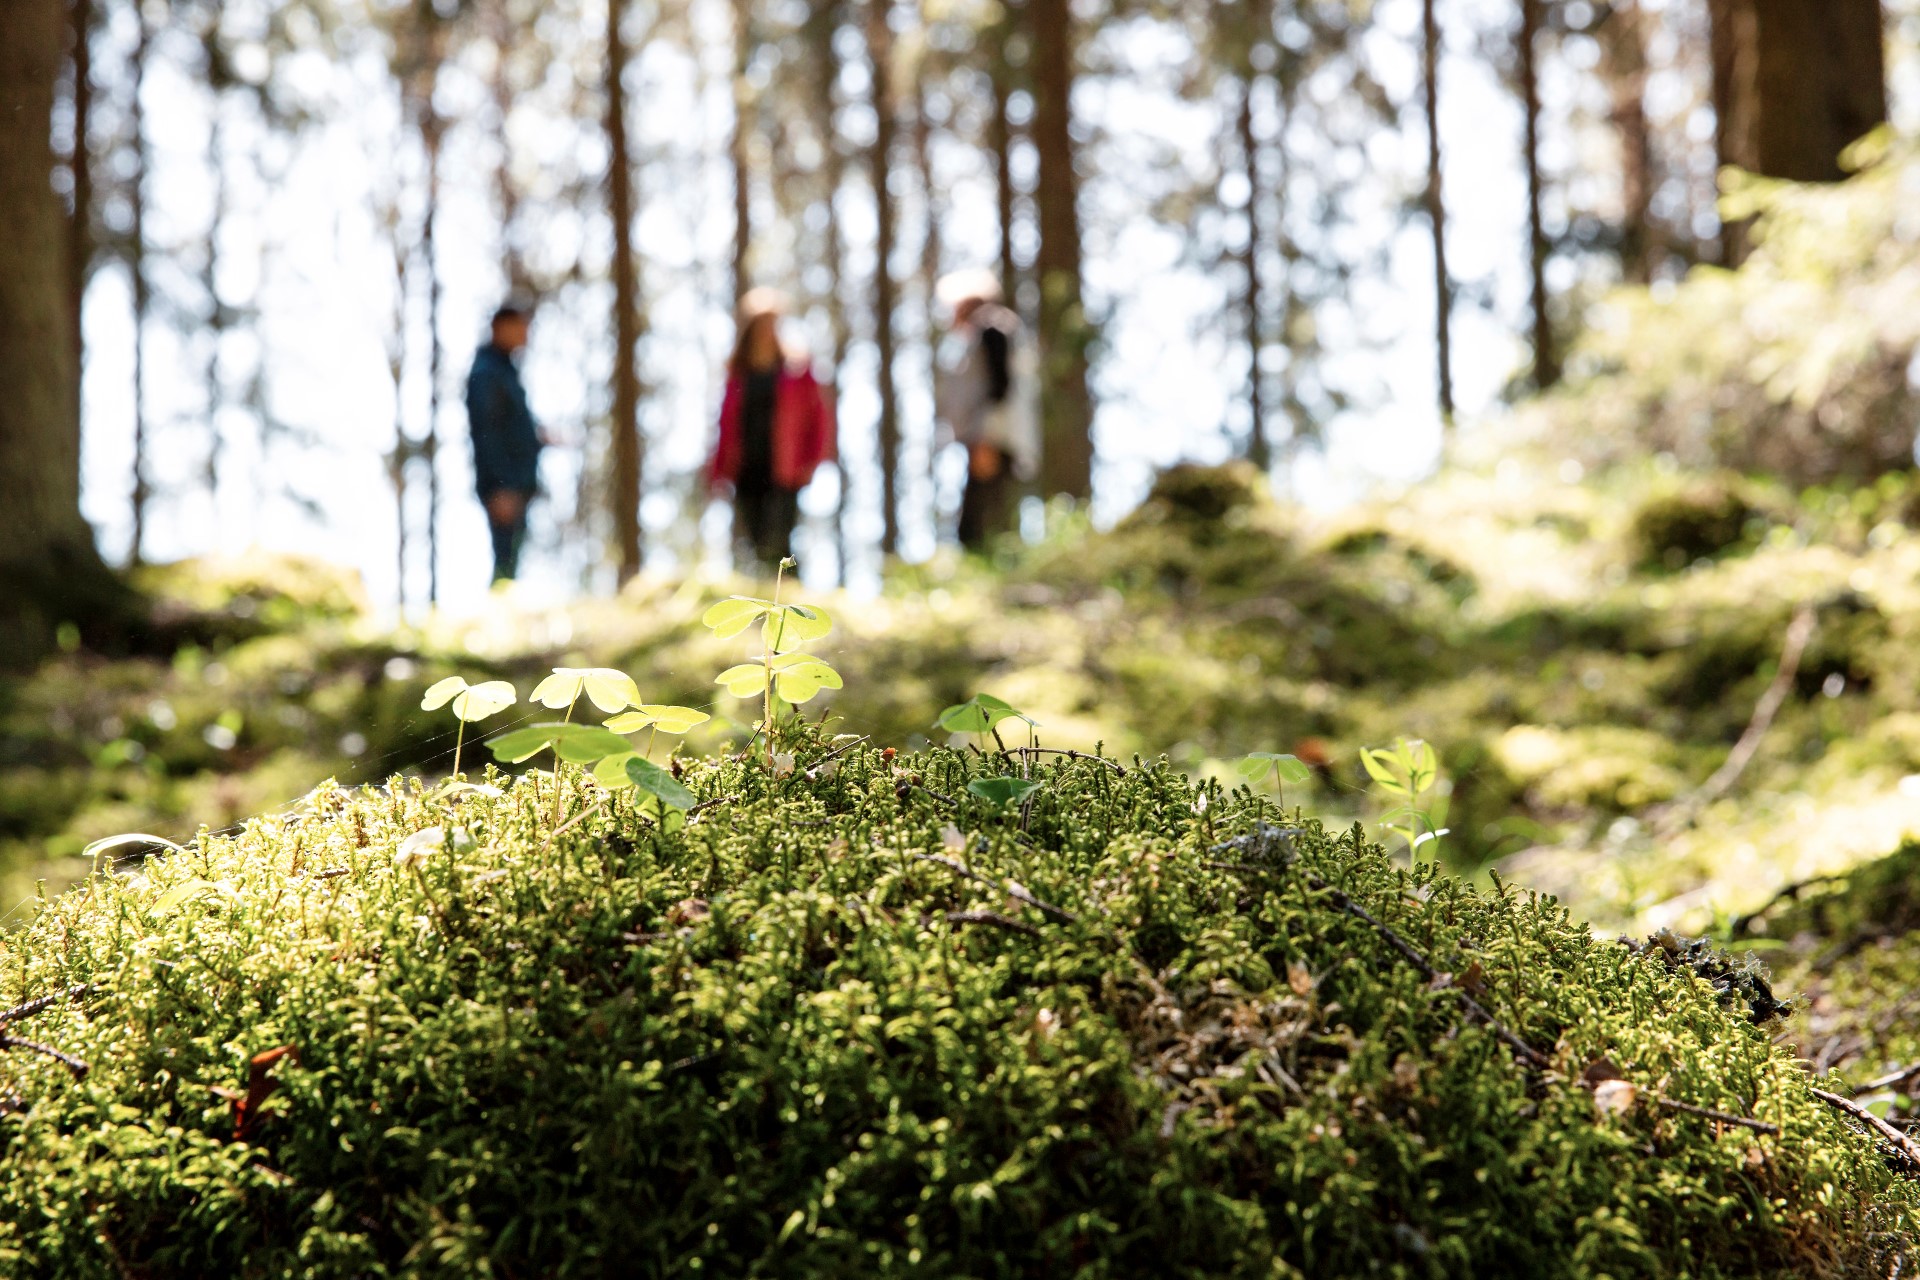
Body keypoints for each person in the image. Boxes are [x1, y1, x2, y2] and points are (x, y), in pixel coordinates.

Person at [708, 289, 836, 571]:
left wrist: (813, 461)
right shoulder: (737, 373)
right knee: (755, 540)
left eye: (771, 323)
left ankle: (791, 599)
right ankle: (765, 600)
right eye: (760, 324)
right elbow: (726, 426)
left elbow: (818, 419)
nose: (766, 331)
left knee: (780, 538)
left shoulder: (797, 371)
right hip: (746, 469)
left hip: (785, 468)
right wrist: (718, 471)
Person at [934, 269, 1039, 550]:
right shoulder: (984, 333)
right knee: (983, 514)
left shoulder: (992, 327)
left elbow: (1000, 387)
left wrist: (987, 436)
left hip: (991, 438)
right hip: (986, 437)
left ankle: (989, 573)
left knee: (980, 520)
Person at [465, 304, 543, 584]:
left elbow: (511, 427)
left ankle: (502, 612)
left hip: (516, 483)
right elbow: (487, 432)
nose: (526, 335)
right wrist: (499, 486)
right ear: (500, 327)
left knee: (511, 560)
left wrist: (538, 438)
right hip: (504, 486)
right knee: (505, 563)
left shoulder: (505, 370)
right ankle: (499, 619)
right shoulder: (487, 373)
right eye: (520, 327)